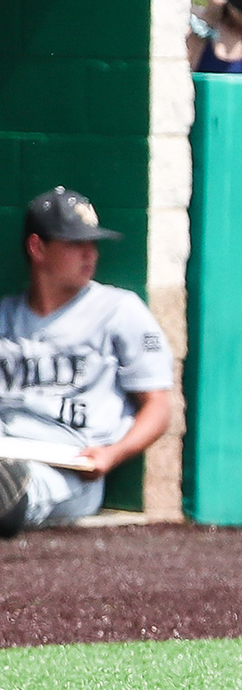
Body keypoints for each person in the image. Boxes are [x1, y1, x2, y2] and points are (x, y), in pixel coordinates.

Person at [0, 188, 176, 536]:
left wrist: (114, 453)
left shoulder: (118, 310)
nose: (89, 253)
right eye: (74, 243)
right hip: (7, 447)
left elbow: (158, 405)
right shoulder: (5, 316)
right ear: (37, 248)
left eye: (92, 243)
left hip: (68, 464)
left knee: (13, 491)